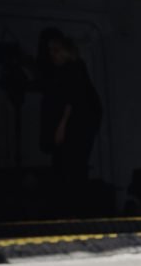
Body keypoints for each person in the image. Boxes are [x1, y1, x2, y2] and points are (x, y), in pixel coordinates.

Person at [38, 29, 102, 203]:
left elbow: (72, 100)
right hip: (79, 124)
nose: (52, 55)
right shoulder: (64, 71)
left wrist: (61, 127)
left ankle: (75, 206)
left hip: (79, 124)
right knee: (69, 165)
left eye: (56, 50)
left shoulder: (73, 69)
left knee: (73, 165)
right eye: (50, 51)